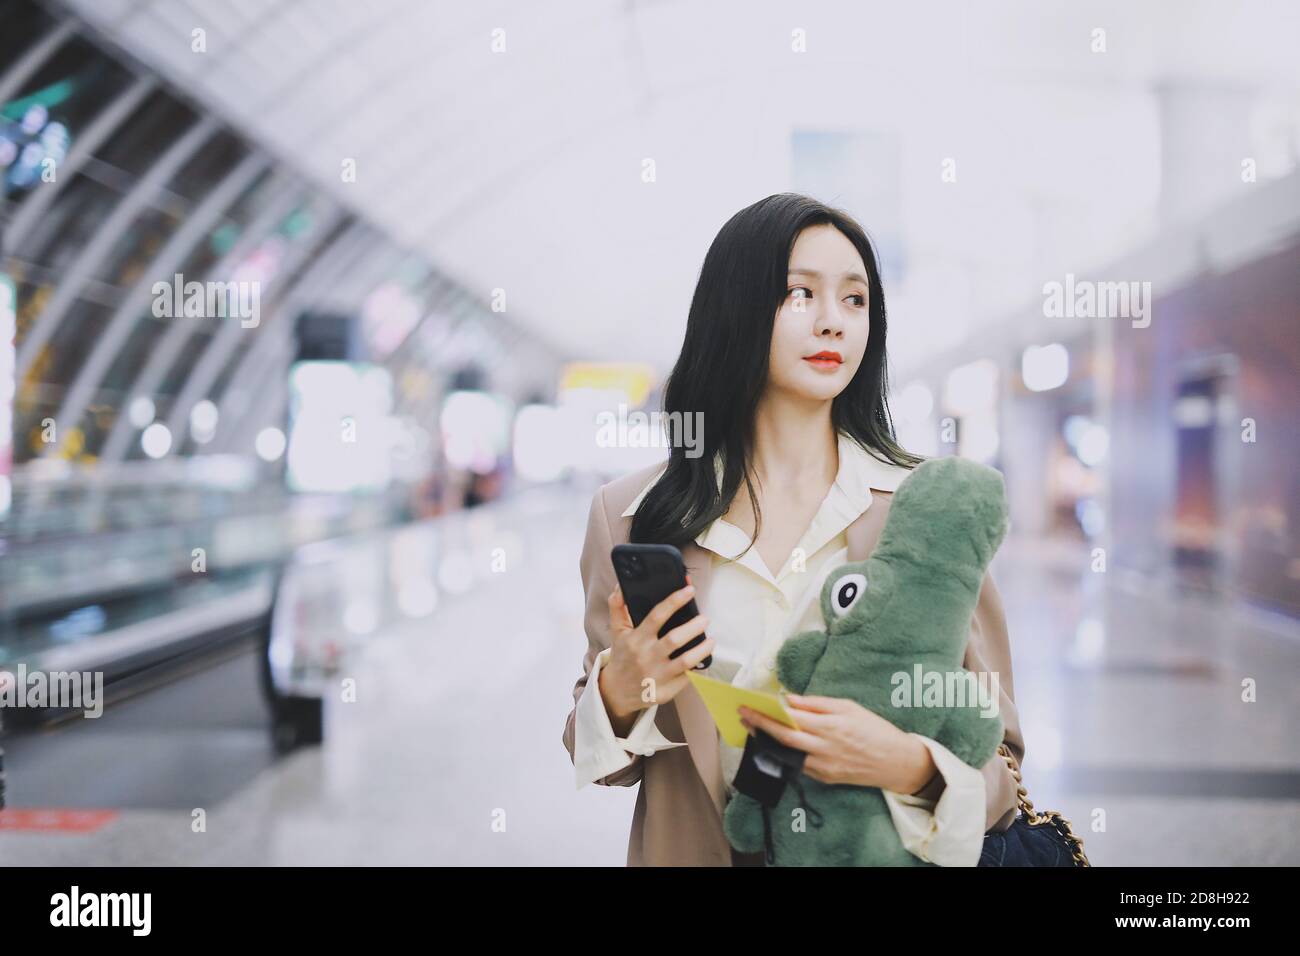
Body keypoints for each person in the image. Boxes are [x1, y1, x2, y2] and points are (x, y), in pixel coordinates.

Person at [562, 193, 1023, 866]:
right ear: (735, 307)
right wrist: (622, 690)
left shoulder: (930, 508)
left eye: (855, 300)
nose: (833, 322)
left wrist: (907, 766)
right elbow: (602, 761)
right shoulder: (633, 512)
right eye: (800, 294)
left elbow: (1003, 765)